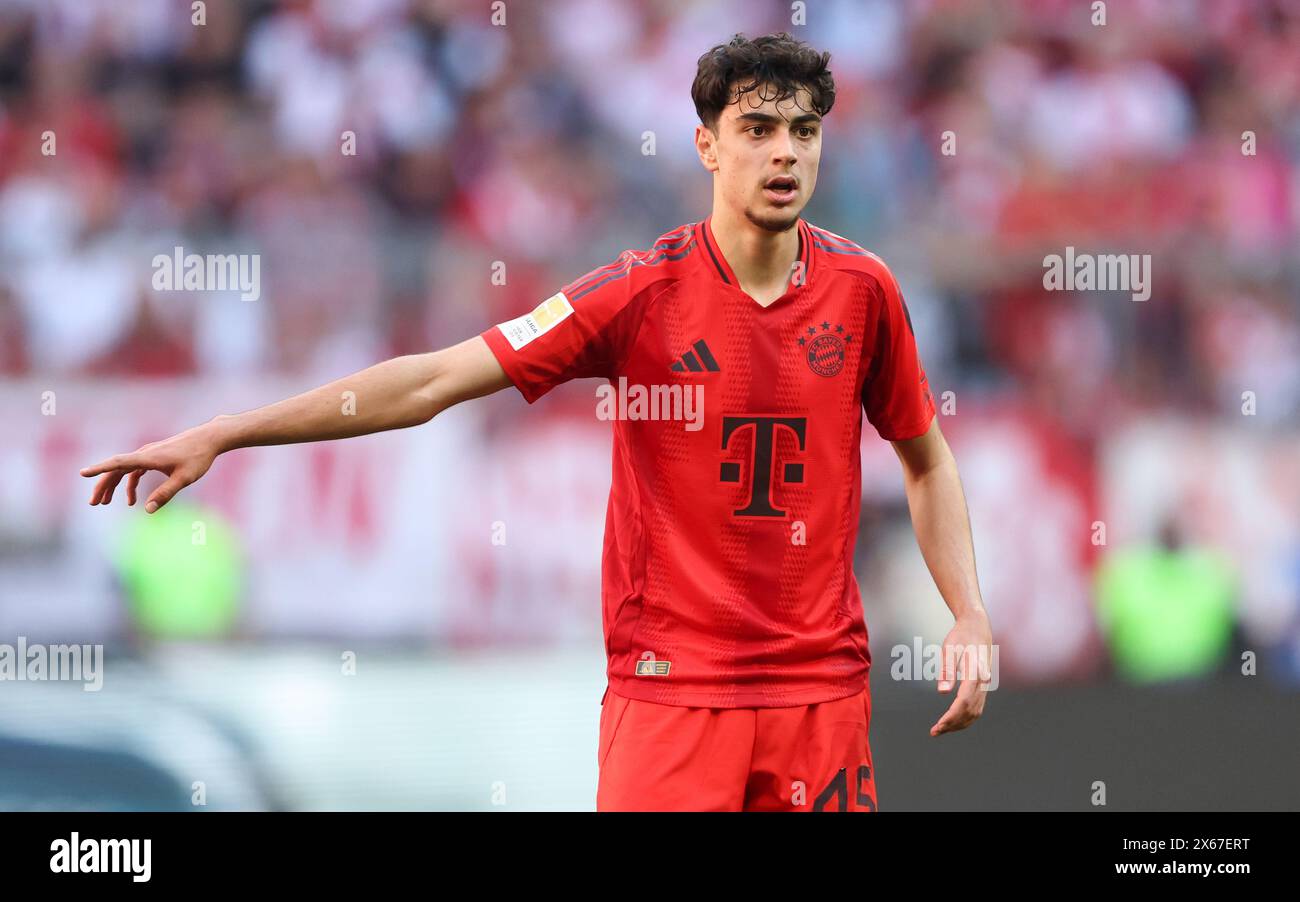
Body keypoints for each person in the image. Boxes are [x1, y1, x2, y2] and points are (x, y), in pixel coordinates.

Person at [81, 32, 992, 811]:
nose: (785, 153)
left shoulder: (864, 292)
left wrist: (968, 613)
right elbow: (433, 380)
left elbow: (927, 462)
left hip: (818, 698)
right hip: (672, 698)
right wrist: (230, 430)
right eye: (757, 130)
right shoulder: (640, 293)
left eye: (804, 131)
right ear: (708, 147)